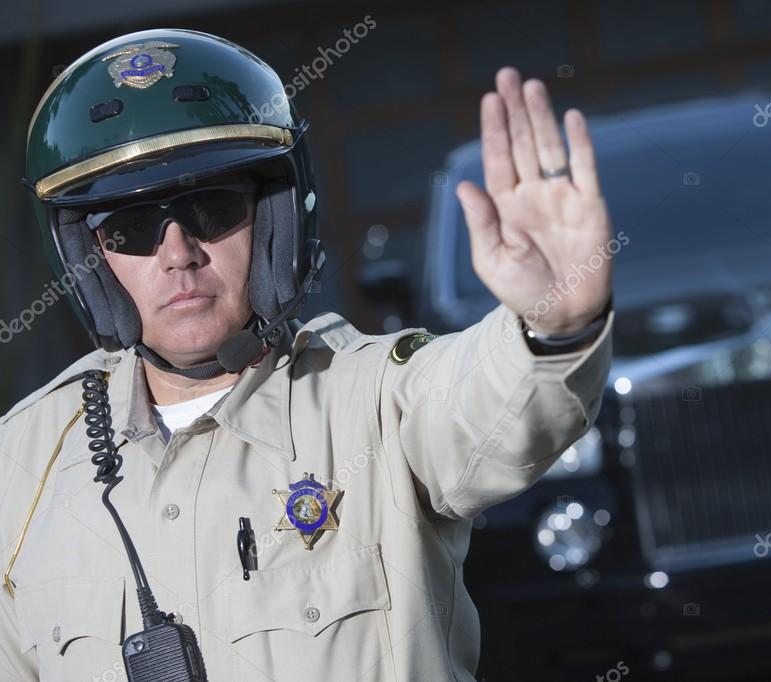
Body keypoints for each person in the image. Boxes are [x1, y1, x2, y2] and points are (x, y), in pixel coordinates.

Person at [0, 28, 613, 681]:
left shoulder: (376, 402)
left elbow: (493, 408)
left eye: (212, 210)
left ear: (276, 223)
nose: (178, 254)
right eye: (131, 229)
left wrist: (554, 321)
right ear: (90, 259)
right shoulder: (20, 465)